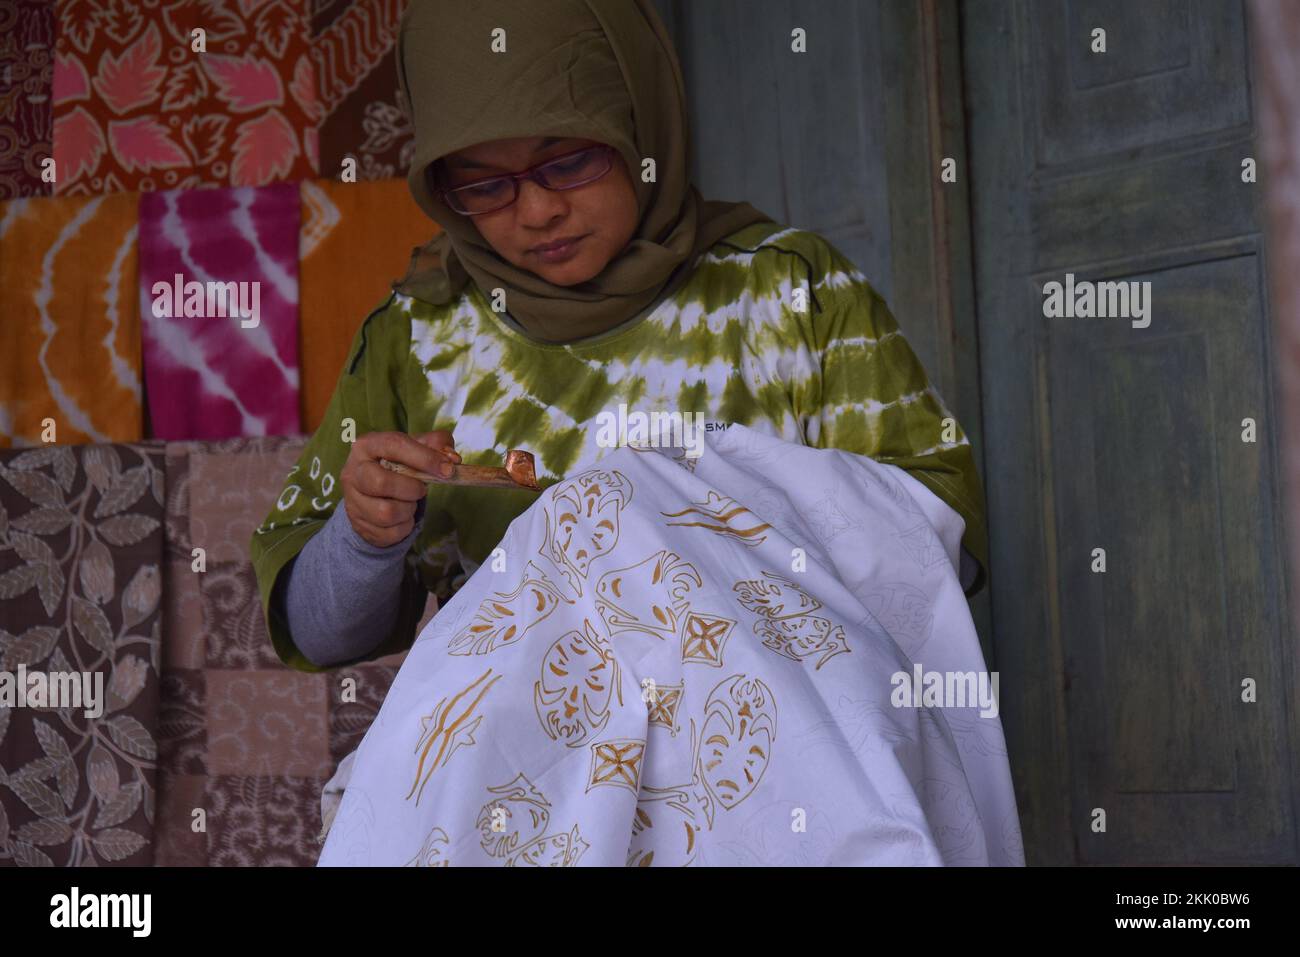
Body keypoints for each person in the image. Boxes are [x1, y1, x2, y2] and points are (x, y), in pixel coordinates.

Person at [250, 0, 990, 672]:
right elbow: (320, 637)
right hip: (534, 784)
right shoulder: (415, 339)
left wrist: (717, 527)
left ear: (639, 121)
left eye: (569, 159)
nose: (536, 211)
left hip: (778, 754)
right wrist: (366, 539)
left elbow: (938, 558)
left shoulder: (790, 294)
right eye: (481, 184)